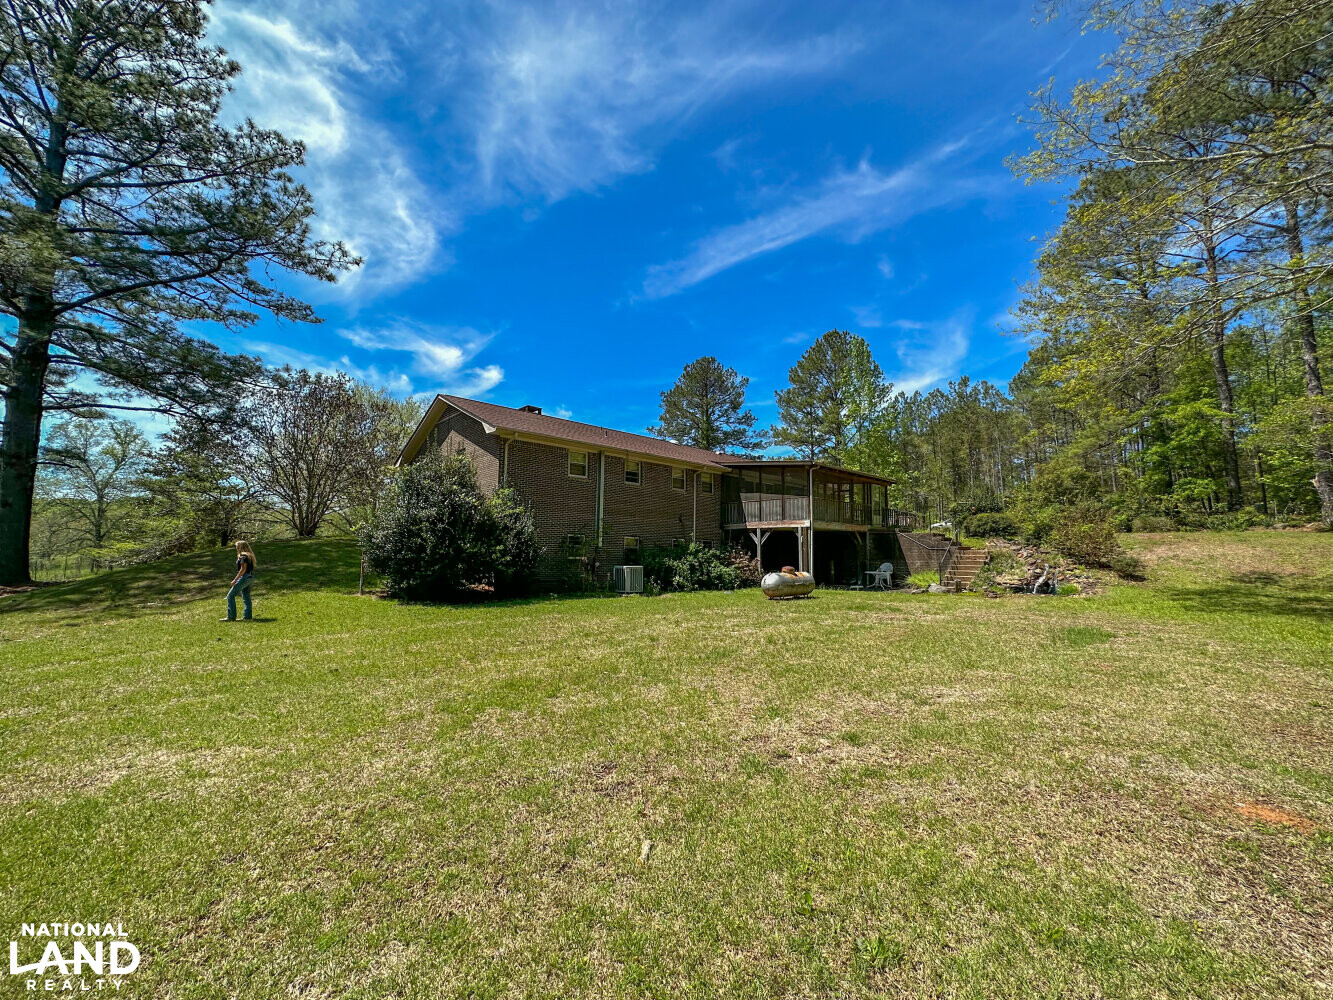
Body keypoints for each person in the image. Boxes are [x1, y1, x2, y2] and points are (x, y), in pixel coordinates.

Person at [222, 540, 257, 621]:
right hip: (250, 577)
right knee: (246, 596)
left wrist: (235, 580)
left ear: (240, 547)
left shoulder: (243, 556)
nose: (236, 548)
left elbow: (243, 569)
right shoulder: (250, 556)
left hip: (244, 578)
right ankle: (247, 617)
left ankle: (231, 617)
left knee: (230, 596)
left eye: (237, 546)